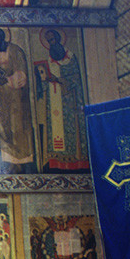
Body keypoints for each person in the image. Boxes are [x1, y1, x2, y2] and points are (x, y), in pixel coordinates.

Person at [33, 29, 89, 172]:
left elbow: (75, 78)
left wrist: (58, 79)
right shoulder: (49, 60)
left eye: (52, 40)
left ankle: (76, 163)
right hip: (53, 100)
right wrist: (42, 79)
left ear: (58, 39)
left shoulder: (70, 58)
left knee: (70, 130)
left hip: (69, 100)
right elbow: (44, 81)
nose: (51, 44)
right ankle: (56, 162)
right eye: (48, 41)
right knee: (54, 129)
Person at [0, 28, 35, 173]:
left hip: (16, 97)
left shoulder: (15, 51)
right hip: (1, 96)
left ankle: (21, 161)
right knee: (2, 126)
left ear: (4, 36)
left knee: (16, 126)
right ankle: (9, 161)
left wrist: (6, 79)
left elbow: (21, 74)